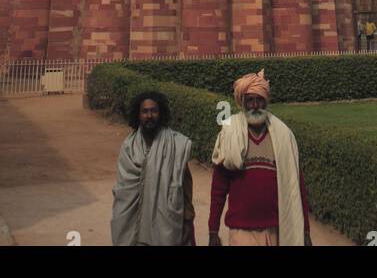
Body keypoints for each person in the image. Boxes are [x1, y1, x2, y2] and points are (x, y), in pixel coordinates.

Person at [209, 70, 311, 247]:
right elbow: (218, 187)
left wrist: (306, 231)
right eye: (250, 100)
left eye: (259, 99)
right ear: (242, 102)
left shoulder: (283, 135)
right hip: (242, 231)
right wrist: (212, 230)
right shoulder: (230, 133)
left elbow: (297, 186)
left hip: (277, 229)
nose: (255, 105)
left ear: (266, 101)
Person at [111, 91, 195, 247]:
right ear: (138, 115)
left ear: (160, 113)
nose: (149, 116)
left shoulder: (176, 145)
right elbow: (122, 190)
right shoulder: (129, 147)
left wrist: (188, 222)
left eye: (154, 111)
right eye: (145, 111)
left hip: (165, 227)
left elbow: (185, 188)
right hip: (130, 224)